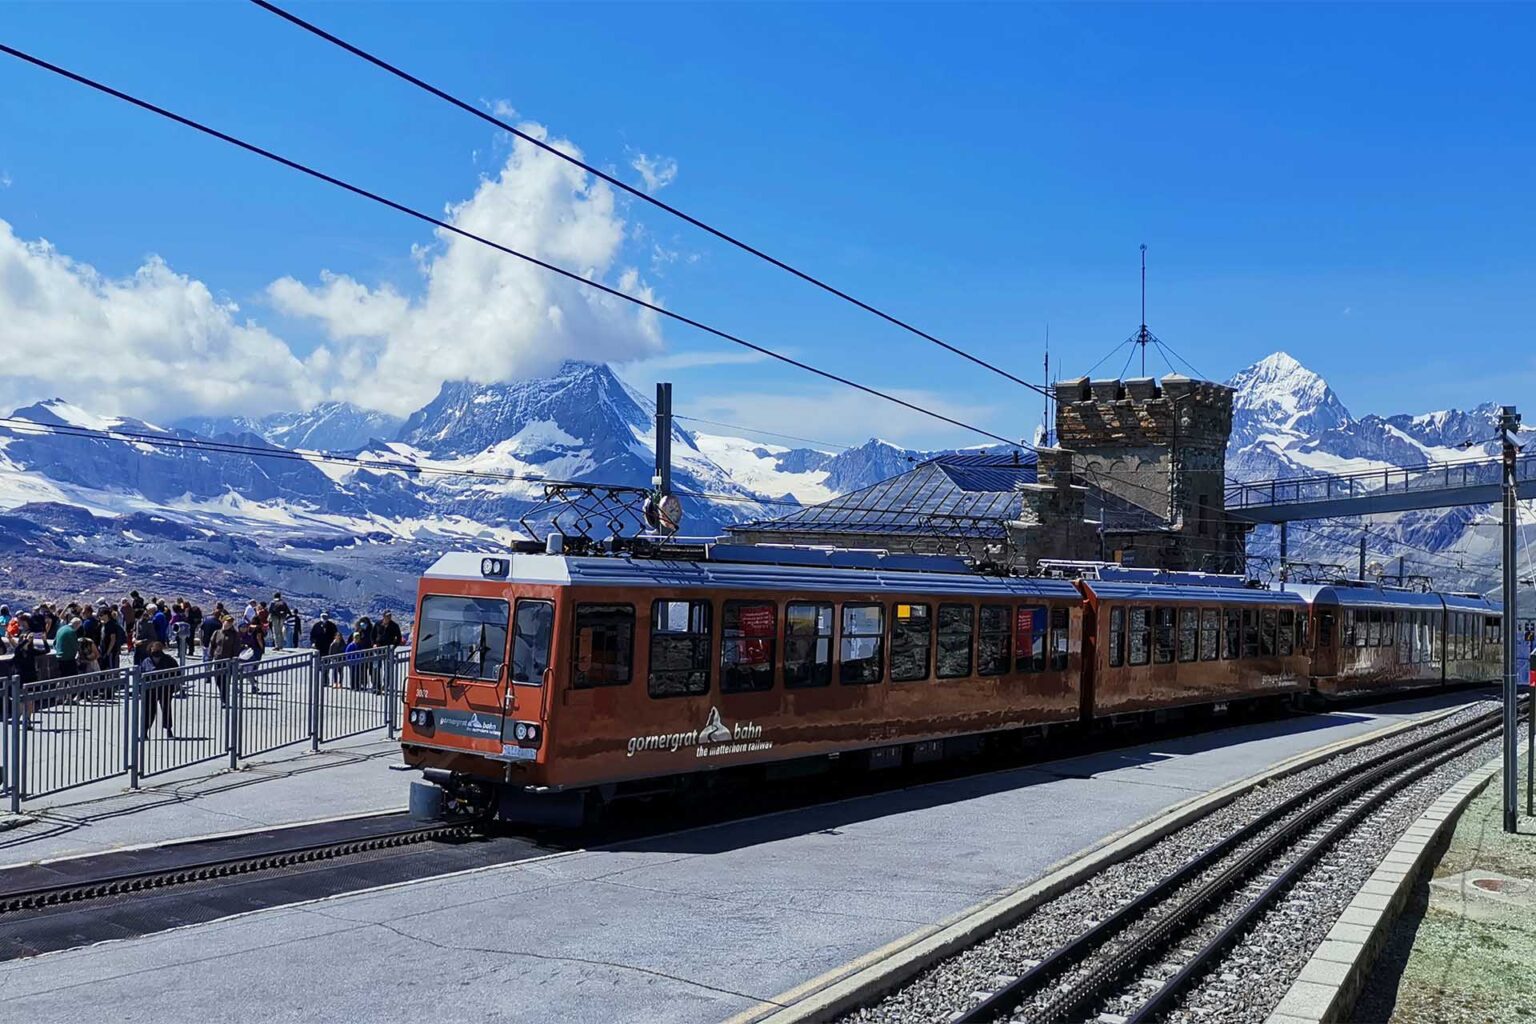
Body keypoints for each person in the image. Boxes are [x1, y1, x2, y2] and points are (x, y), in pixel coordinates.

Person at [142, 641, 176, 737]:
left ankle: (168, 729)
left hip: (165, 688)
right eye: (154, 649)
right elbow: (141, 674)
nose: (156, 651)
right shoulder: (146, 661)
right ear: (150, 649)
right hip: (150, 689)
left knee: (166, 709)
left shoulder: (169, 660)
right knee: (149, 711)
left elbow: (176, 672)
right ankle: (144, 731)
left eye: (158, 649)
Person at [207, 616, 241, 705]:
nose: (229, 624)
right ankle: (222, 695)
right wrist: (210, 656)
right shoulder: (217, 632)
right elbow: (212, 644)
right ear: (223, 622)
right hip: (218, 659)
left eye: (230, 622)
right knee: (218, 680)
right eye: (227, 622)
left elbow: (236, 647)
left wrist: (235, 658)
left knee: (226, 681)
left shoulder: (234, 634)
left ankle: (224, 700)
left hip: (228, 660)